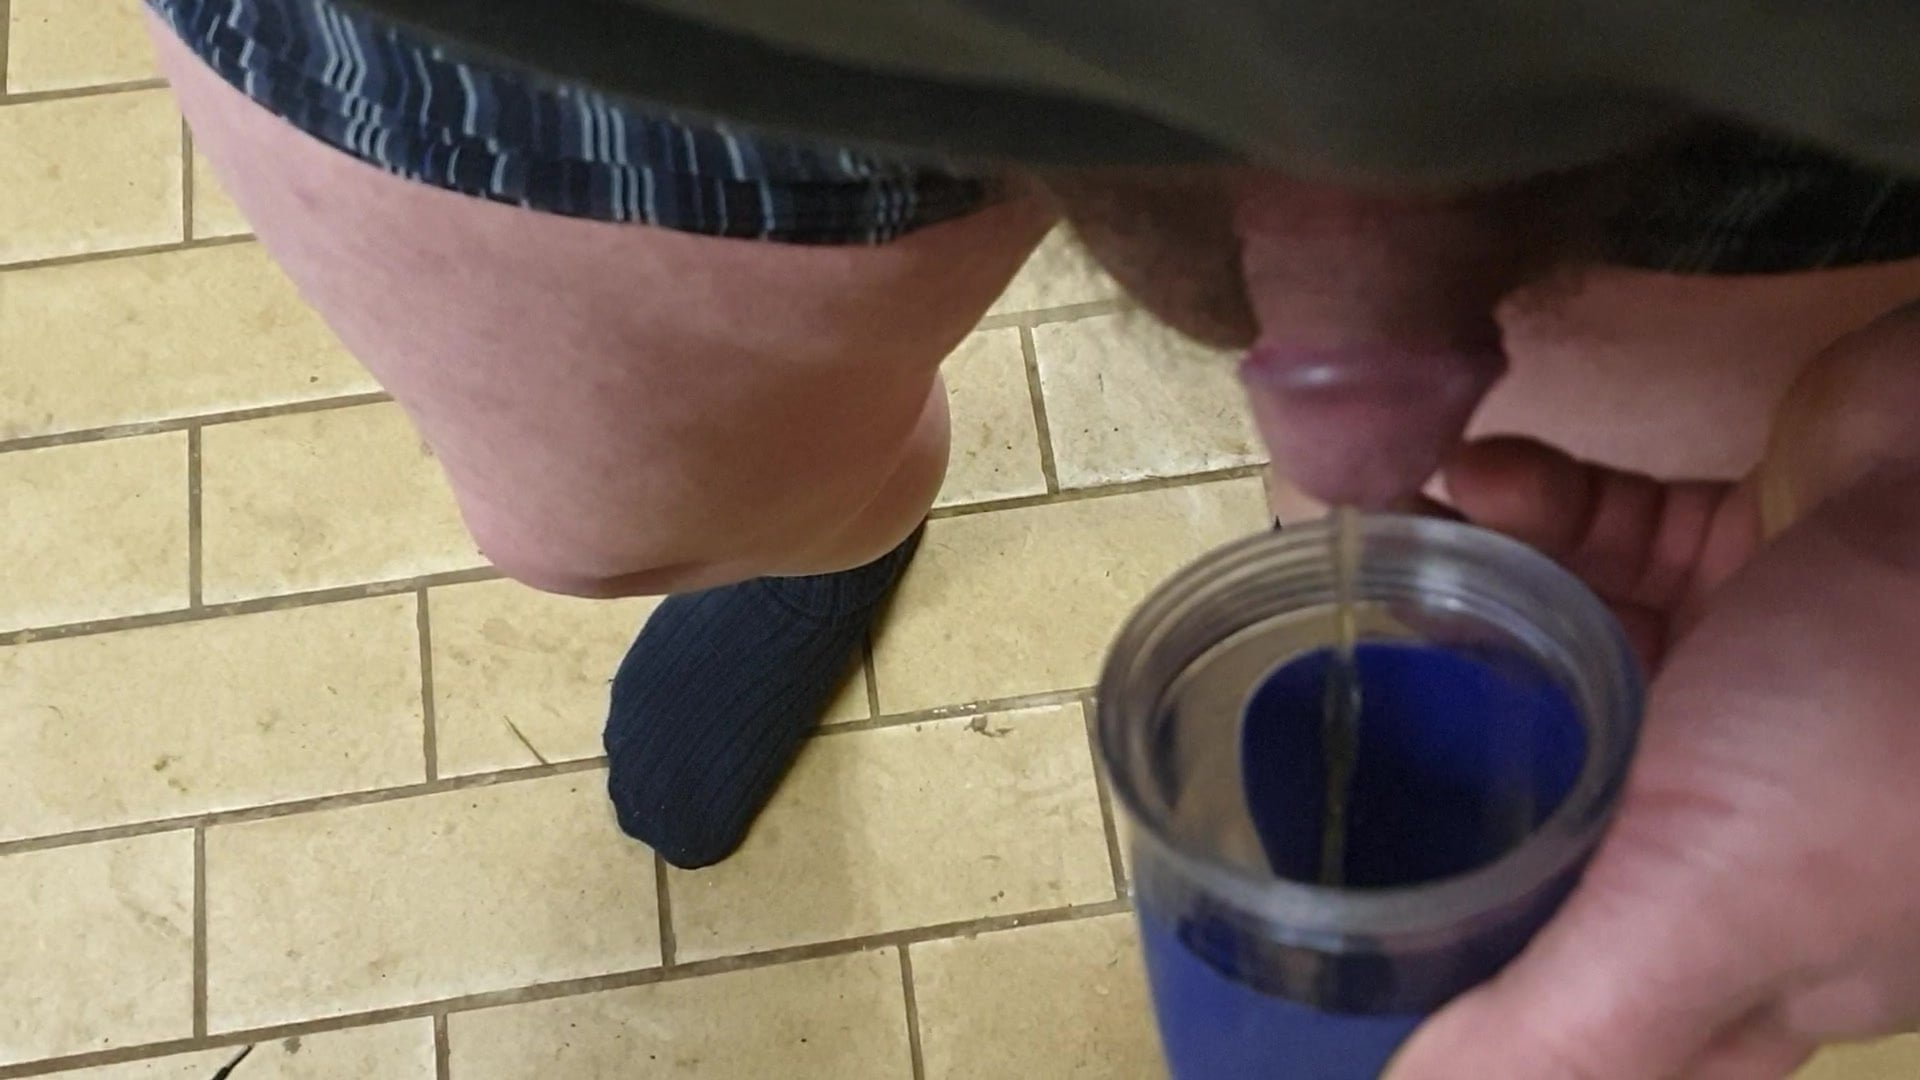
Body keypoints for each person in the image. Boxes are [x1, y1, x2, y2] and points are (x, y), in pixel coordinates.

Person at [143, 1, 1920, 1076]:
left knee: (1514, 612)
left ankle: (1369, 656)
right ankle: (825, 547)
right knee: (607, 519)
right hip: (658, 33)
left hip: (1732, 65)